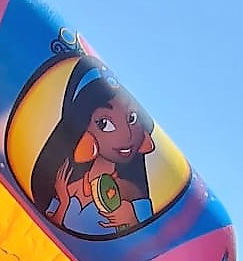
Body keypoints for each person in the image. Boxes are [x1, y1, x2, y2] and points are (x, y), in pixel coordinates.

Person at [29, 56, 156, 237]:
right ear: (84, 132)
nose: (127, 135)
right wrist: (64, 203)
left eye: (132, 119)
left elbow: (151, 245)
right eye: (104, 123)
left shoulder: (133, 194)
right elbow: (43, 231)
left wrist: (132, 221)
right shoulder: (68, 186)